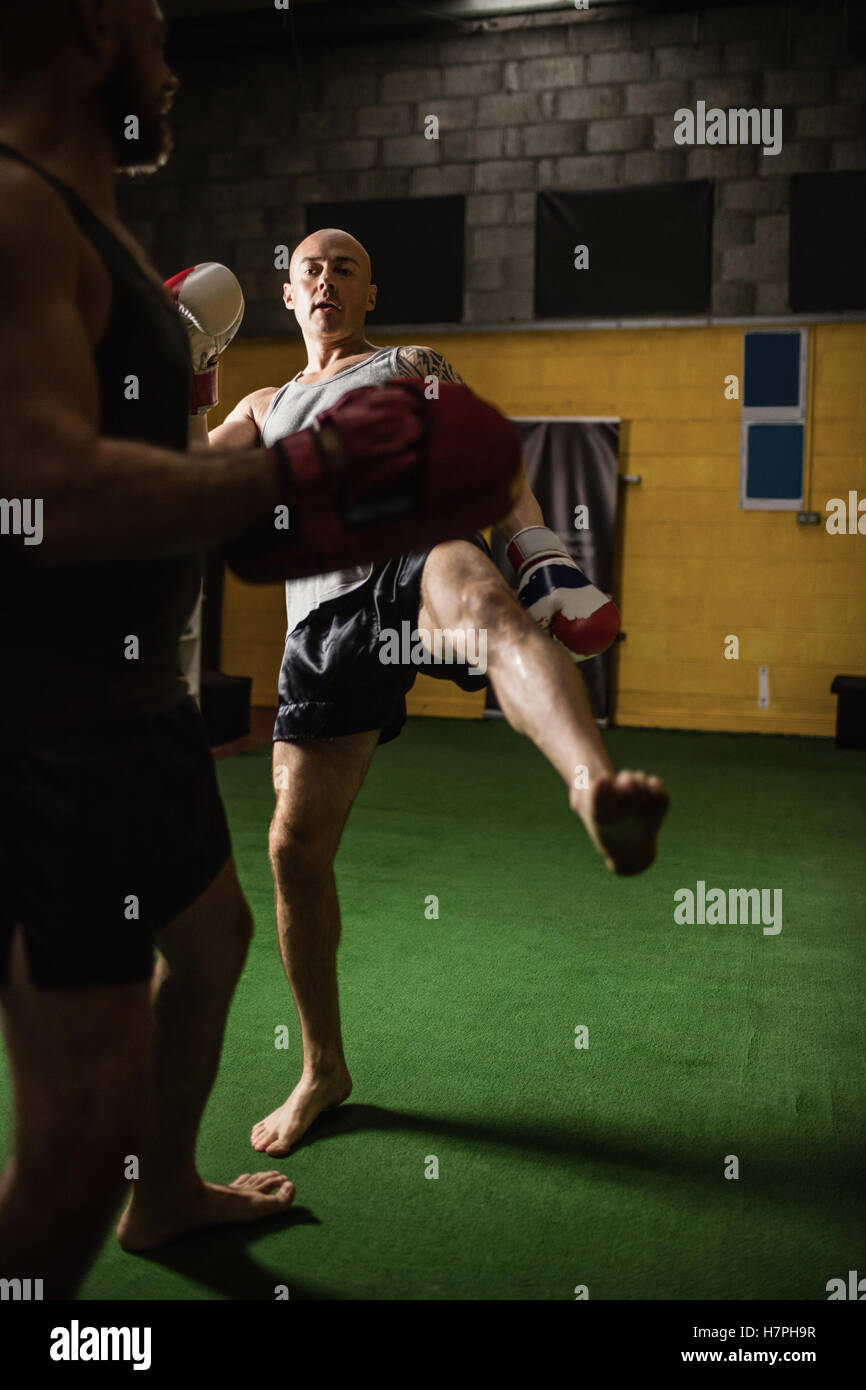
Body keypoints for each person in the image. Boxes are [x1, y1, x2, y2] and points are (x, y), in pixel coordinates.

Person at [0, 0, 517, 1297]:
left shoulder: (96, 232)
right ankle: (119, 1197)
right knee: (71, 1148)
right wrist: (305, 470)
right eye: (155, 36)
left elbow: (142, 469)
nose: (173, 68)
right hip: (52, 721)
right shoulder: (16, 212)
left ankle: (166, 1194)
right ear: (86, 33)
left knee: (219, 935)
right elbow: (37, 495)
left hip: (135, 707)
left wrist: (249, 466)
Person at [201, 226, 670, 1160]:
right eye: (309, 270)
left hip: (416, 554)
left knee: (488, 606)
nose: (325, 278)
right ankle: (323, 1068)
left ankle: (593, 789)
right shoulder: (263, 401)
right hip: (323, 621)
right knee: (294, 845)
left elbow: (487, 464)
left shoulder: (409, 363)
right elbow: (191, 474)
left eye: (345, 268)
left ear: (370, 294)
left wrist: (535, 544)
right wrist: (180, 368)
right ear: (288, 297)